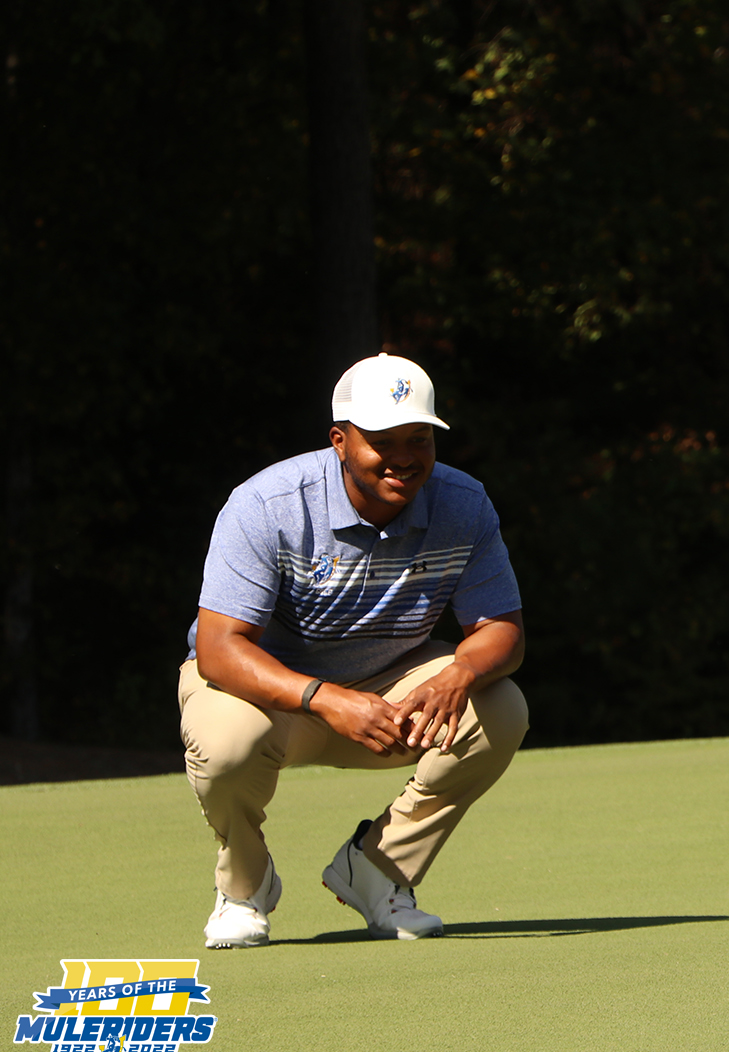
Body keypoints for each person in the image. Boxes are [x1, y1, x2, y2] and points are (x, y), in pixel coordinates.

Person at [178, 353, 529, 947]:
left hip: (389, 694)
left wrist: (460, 672)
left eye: (419, 439)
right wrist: (325, 699)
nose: (404, 456)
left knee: (500, 708)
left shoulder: (464, 505)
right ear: (339, 441)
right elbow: (219, 650)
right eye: (382, 440)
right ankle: (245, 886)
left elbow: (504, 630)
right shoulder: (267, 505)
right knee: (224, 743)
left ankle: (377, 870)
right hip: (274, 697)